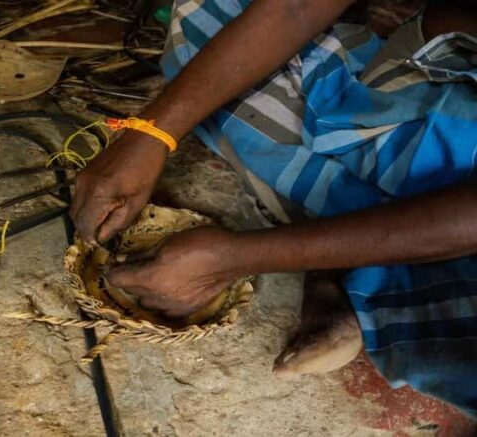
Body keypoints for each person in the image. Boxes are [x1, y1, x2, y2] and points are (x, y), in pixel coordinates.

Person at [70, 0, 477, 416]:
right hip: (442, 81)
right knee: (206, 15)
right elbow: (294, 6)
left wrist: (234, 258)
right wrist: (150, 133)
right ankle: (370, 259)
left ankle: (364, 275)